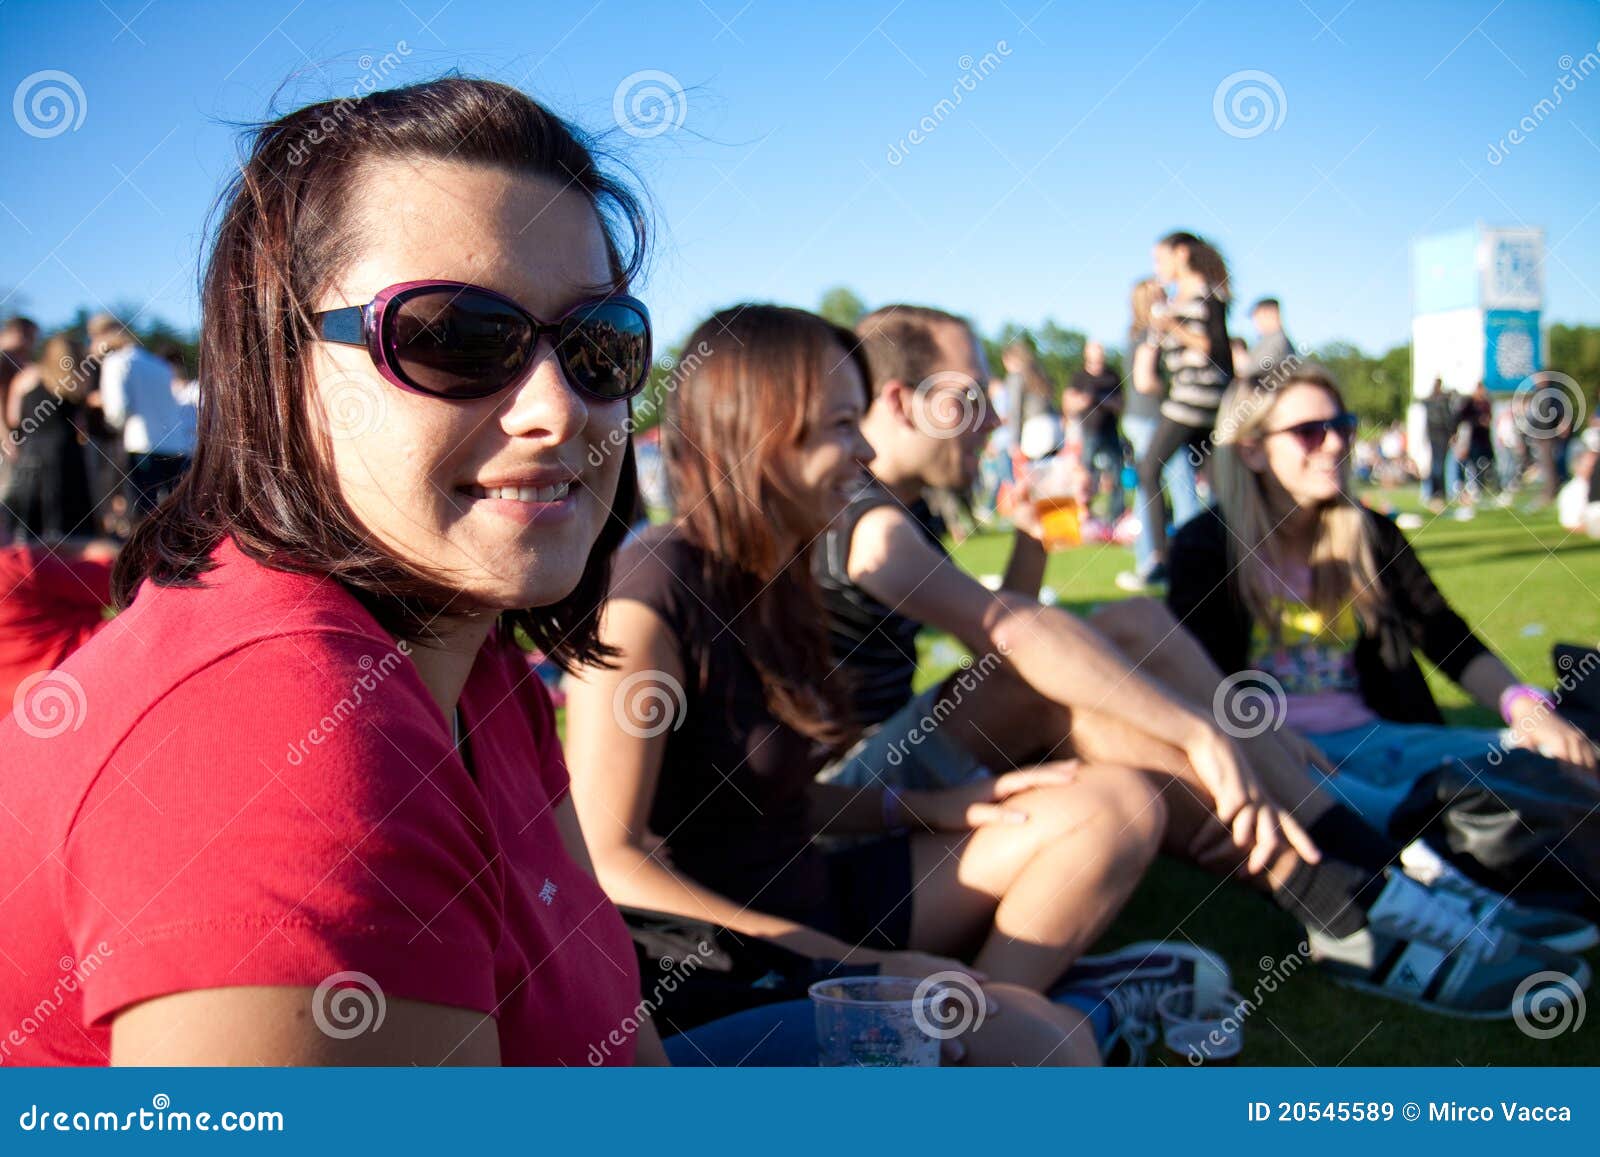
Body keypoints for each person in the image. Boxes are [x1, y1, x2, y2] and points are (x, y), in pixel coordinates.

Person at [0, 77, 669, 1066]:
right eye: (452, 337)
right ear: (280, 369)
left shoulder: (467, 661)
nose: (558, 408)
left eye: (596, 344)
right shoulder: (285, 748)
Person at [817, 305, 1592, 1018]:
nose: (991, 417)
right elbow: (1010, 639)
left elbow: (999, 647)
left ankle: (1356, 905)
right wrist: (1203, 732)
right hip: (840, 809)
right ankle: (1361, 891)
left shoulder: (893, 506)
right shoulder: (867, 519)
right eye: (975, 395)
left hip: (900, 772)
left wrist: (1030, 544)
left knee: (1118, 685)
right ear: (897, 399)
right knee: (1113, 647)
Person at [565, 304, 1214, 1068]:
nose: (866, 446)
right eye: (841, 424)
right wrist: (841, 962)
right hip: (726, 950)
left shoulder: (778, 572)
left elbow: (778, 794)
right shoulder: (651, 594)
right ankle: (1029, 1017)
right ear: (763, 435)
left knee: (1115, 805)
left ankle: (983, 1020)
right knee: (1054, 1049)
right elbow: (607, 859)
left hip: (815, 887)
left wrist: (925, 804)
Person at [1163, 366, 1598, 1005]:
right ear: (1251, 449)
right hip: (1282, 756)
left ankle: (1451, 870)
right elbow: (1192, 673)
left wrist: (1529, 712)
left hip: (1382, 736)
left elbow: (1444, 635)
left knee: (1536, 764)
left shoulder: (1368, 531)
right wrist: (1265, 731)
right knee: (1394, 808)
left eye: (1340, 427)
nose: (1335, 444)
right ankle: (1431, 891)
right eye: (1310, 432)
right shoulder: (1206, 545)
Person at [1133, 231, 1234, 588]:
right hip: (1191, 402)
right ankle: (1226, 555)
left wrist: (1172, 325)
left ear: (1181, 254)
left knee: (1148, 470)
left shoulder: (1208, 296)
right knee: (1219, 484)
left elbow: (1216, 349)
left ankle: (1160, 557)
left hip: (1198, 401)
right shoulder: (1175, 303)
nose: (1157, 268)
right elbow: (1149, 375)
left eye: (1160, 259)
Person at [1117, 278, 1198, 592]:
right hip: (1155, 419)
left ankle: (1149, 561)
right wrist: (1177, 391)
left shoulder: (1134, 334)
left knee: (1146, 491)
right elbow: (1145, 381)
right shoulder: (1153, 333)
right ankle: (1191, 561)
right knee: (1182, 488)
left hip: (1138, 419)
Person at [89, 313, 191, 518]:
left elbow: (117, 409)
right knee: (173, 513)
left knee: (144, 512)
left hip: (142, 445)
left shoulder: (116, 362)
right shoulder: (159, 365)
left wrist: (113, 428)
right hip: (174, 445)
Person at [0, 537, 115, 703]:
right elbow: (115, 580)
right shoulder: (9, 566)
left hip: (39, 719)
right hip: (99, 677)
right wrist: (69, 547)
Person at [3, 333, 95, 542]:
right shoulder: (78, 379)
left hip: (32, 451)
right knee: (71, 526)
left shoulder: (26, 377)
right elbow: (81, 423)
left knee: (29, 525)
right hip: (68, 453)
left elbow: (13, 417)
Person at [1066, 341, 1125, 522]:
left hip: (1110, 432)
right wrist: (1085, 400)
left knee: (1117, 472)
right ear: (1087, 355)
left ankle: (1116, 516)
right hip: (1089, 433)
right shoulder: (1079, 377)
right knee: (1085, 475)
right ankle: (1085, 514)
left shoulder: (1112, 376)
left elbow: (1121, 404)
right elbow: (1068, 404)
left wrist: (1106, 401)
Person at [1240, 297, 1295, 385]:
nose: (1255, 323)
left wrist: (1242, 362)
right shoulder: (1269, 340)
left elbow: (1257, 369)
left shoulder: (1278, 341)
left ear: (1271, 313)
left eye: (1257, 316)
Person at [1421, 377, 1456, 510]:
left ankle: (1435, 493)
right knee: (1439, 466)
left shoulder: (1429, 401)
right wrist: (1452, 432)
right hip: (1441, 436)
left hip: (1433, 436)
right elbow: (1447, 418)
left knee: (1436, 465)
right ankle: (1439, 493)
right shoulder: (1442, 401)